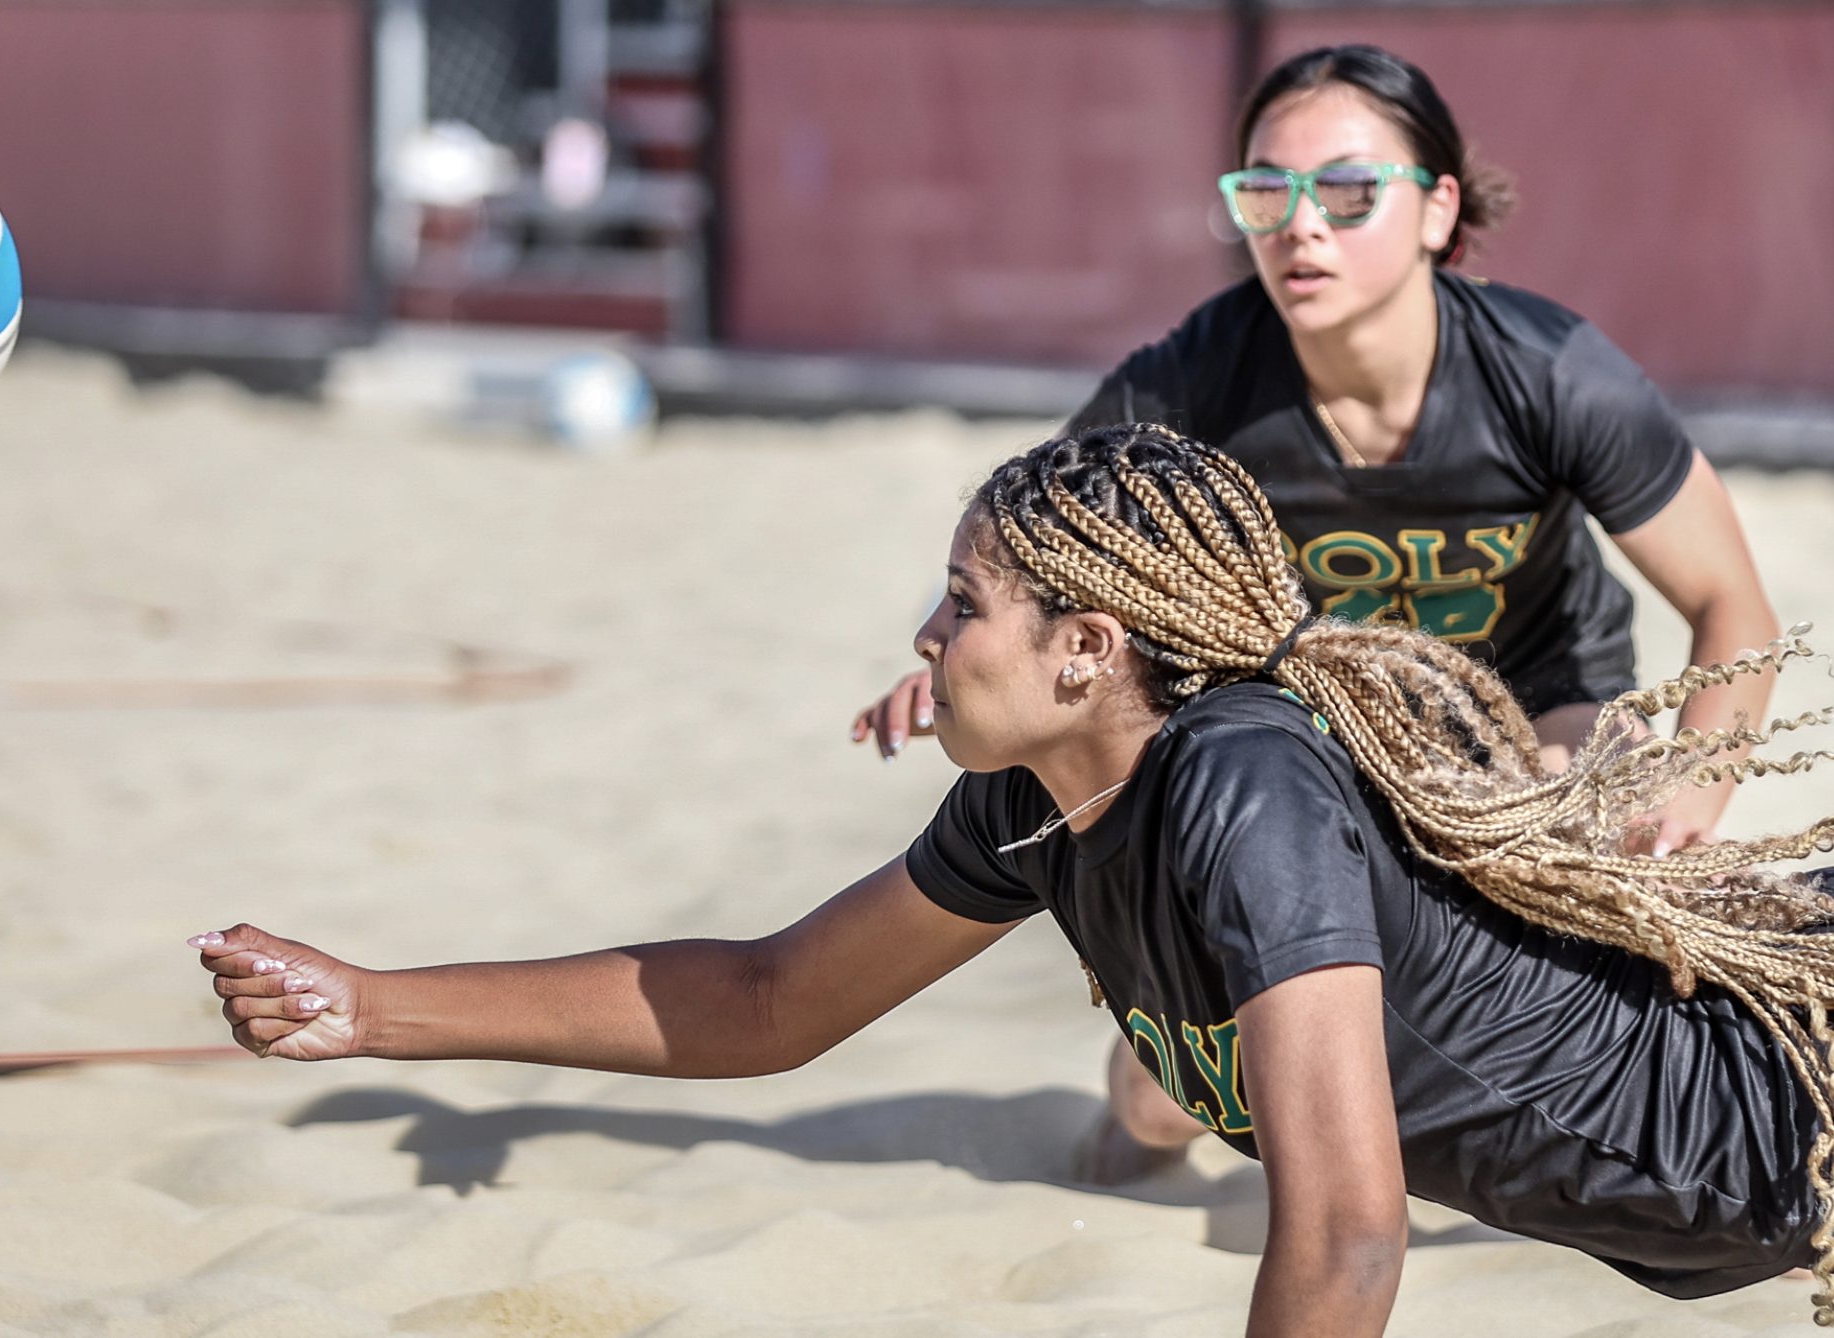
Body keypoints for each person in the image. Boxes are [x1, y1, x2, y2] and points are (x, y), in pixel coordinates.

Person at [195, 424, 1834, 1335]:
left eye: (959, 600)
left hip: (1785, 1134)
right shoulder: (1033, 805)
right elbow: (764, 1002)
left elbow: (1343, 1237)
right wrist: (371, 1006)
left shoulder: (1238, 780)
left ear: (1083, 650)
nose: (924, 635)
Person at [848, 42, 1783, 1178]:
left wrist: (1685, 801)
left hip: (1533, 710)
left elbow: (1728, 600)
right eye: (1266, 191)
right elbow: (1032, 540)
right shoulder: (1203, 373)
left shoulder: (1552, 372)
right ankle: (1123, 1139)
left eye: (1348, 192)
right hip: (1309, 723)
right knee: (1171, 1093)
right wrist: (947, 655)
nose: (1301, 225)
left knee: (1559, 881)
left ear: (1438, 210)